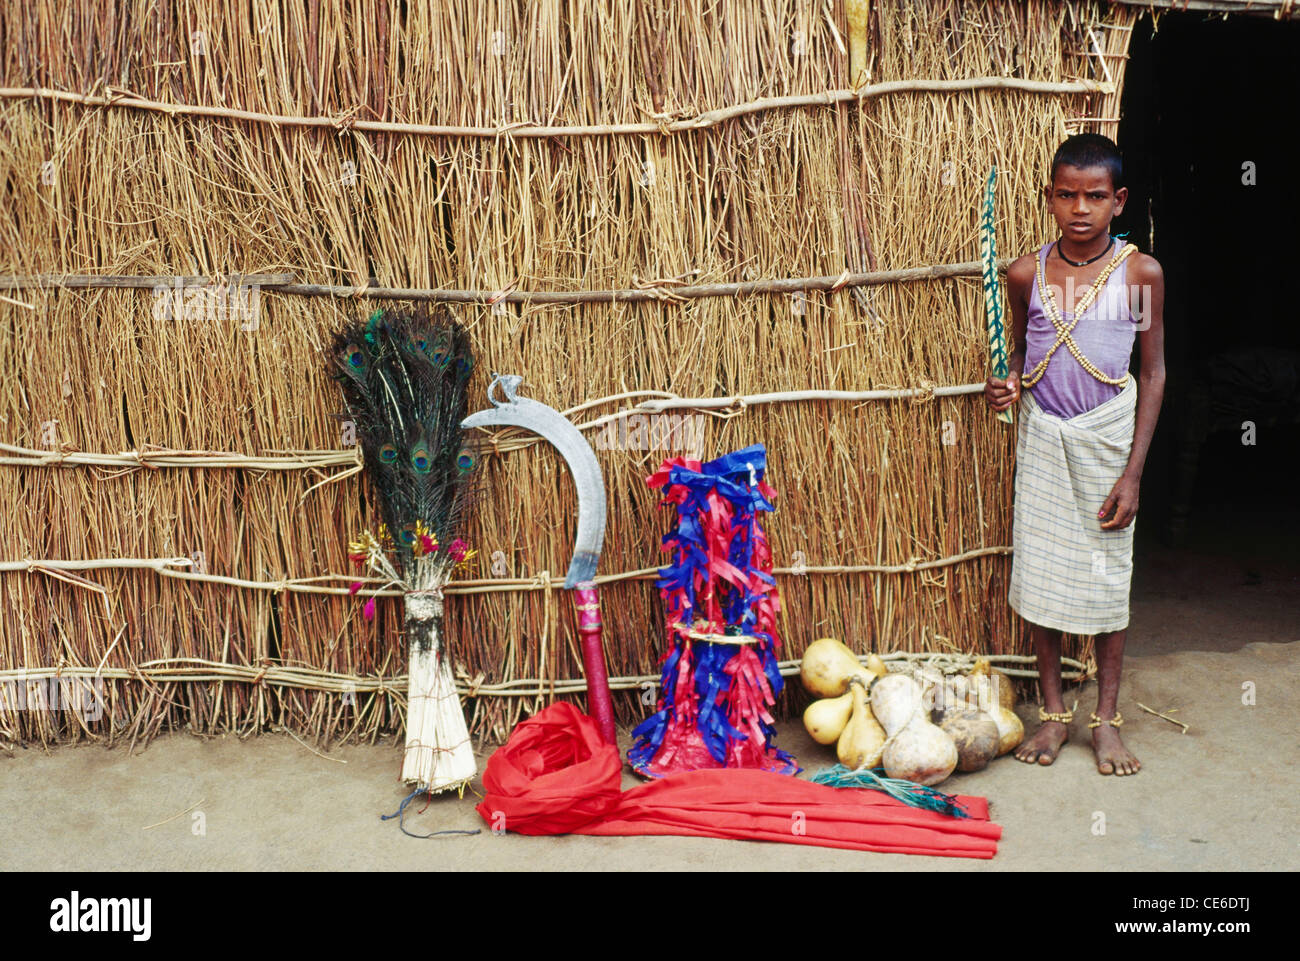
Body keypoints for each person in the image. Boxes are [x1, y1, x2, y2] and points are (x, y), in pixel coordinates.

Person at [985, 133, 1165, 776]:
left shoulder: (1139, 274)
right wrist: (1002, 385)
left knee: (1106, 577)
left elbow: (1154, 371)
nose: (1079, 208)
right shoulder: (1027, 274)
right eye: (1066, 195)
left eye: (1094, 196)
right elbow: (1016, 358)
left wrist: (1134, 473)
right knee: (1041, 574)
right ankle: (1056, 716)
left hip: (1106, 443)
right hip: (1044, 437)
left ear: (1118, 202)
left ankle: (1106, 720)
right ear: (1050, 199)